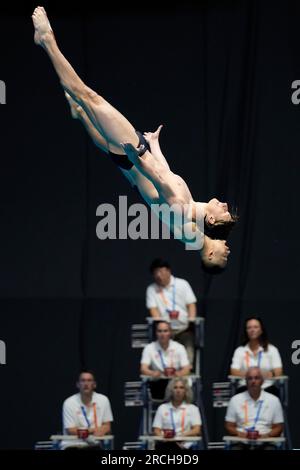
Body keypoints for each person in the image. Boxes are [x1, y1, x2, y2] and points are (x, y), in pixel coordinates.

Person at [31, 6, 236, 272]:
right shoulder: (190, 213)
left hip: (135, 155)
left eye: (223, 211)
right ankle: (80, 114)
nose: (224, 204)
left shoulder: (184, 217)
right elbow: (166, 175)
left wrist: (140, 158)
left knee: (88, 96)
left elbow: (160, 181)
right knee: (86, 108)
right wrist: (156, 147)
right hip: (135, 158)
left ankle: (46, 40)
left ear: (210, 221)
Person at [146, 258, 197, 366]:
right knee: (166, 360)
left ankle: (186, 371)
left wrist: (191, 322)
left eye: (160, 271)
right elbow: (153, 310)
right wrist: (163, 326)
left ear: (168, 270)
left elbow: (191, 304)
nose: (158, 275)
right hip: (165, 331)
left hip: (184, 329)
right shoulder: (151, 289)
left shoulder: (182, 284)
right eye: (155, 273)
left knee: (188, 353)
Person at [225, 367, 284, 450]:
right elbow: (229, 426)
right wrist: (241, 434)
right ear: (246, 381)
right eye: (250, 378)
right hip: (241, 441)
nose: (253, 381)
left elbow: (279, 427)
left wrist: (266, 436)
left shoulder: (274, 400)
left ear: (262, 381)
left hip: (266, 441)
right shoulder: (235, 400)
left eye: (256, 378)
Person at [61, 370, 113, 450]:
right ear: (78, 385)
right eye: (83, 380)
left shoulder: (103, 400)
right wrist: (93, 430)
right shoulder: (69, 402)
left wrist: (104, 429)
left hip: (94, 444)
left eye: (89, 380)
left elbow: (107, 426)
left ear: (94, 384)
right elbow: (71, 430)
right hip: (73, 444)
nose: (86, 384)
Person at [230, 317, 283, 394]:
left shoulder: (272, 350)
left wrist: (271, 374)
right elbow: (234, 371)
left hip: (267, 388)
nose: (252, 330)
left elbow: (278, 371)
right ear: (246, 331)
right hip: (245, 389)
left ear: (261, 330)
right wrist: (253, 375)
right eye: (249, 328)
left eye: (255, 327)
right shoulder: (240, 351)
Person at [152, 377, 201, 450]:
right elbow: (156, 430)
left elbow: (196, 430)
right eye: (175, 388)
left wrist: (181, 436)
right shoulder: (162, 408)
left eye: (181, 388)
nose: (178, 390)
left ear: (185, 391)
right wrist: (164, 437)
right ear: (171, 391)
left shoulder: (193, 408)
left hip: (185, 444)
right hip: (166, 444)